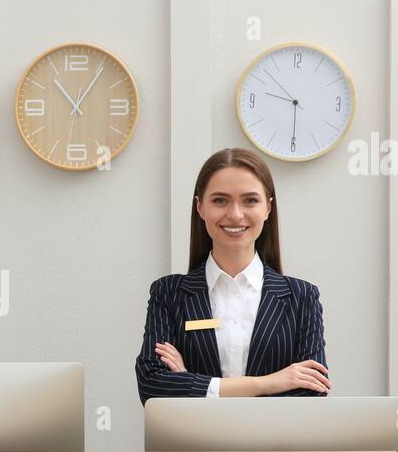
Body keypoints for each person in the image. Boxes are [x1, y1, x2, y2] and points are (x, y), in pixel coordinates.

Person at [135, 147, 331, 402]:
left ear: (268, 209)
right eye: (220, 200)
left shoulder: (301, 297)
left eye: (250, 200)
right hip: (194, 442)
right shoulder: (168, 293)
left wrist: (188, 381)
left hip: (273, 442)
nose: (236, 214)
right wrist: (270, 382)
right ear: (200, 207)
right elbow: (153, 385)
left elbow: (311, 391)